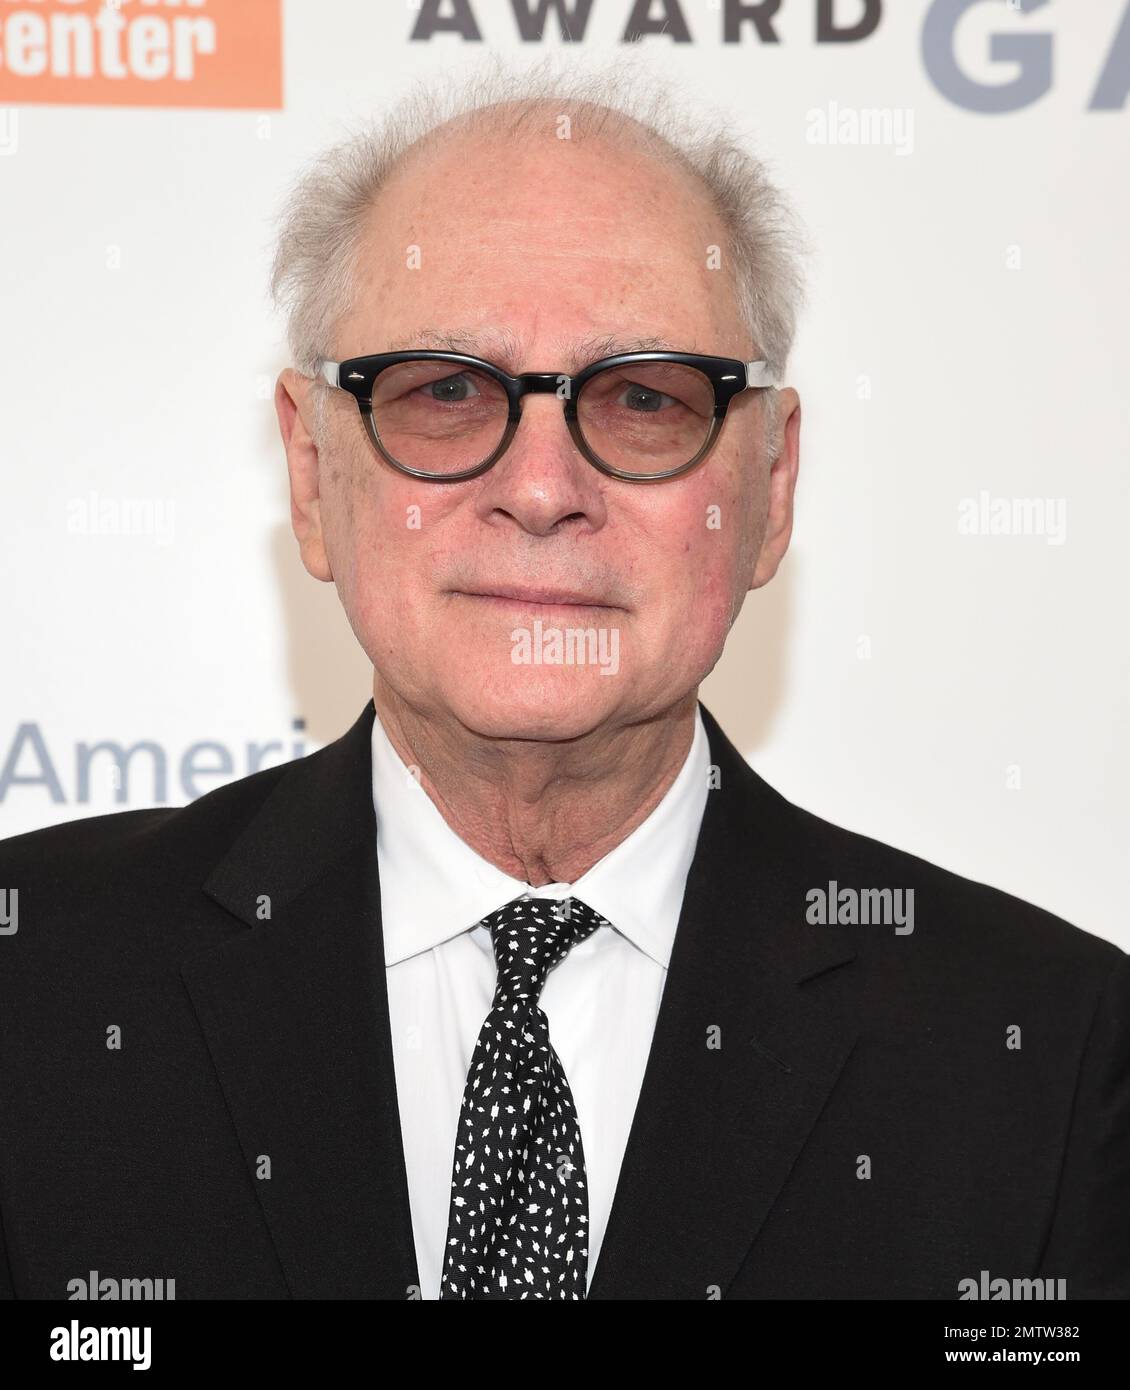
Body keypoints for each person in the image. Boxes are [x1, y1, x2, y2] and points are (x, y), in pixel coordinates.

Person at [1, 59, 1126, 1301]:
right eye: (442, 391)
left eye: (643, 397)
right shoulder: (32, 985)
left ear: (770, 488)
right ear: (312, 475)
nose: (540, 489)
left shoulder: (1048, 1051)